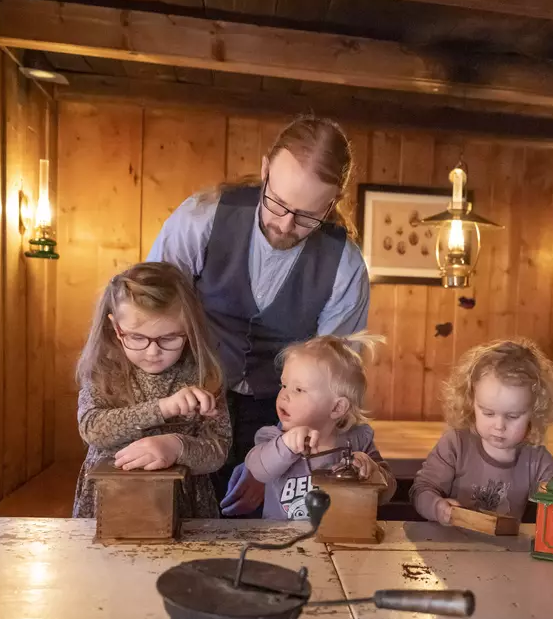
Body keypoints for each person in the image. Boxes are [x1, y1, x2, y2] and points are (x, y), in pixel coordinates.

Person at [146, 115, 370, 514]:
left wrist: (274, 459)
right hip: (190, 396)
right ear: (266, 170)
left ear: (332, 202)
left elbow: (331, 377)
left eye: (306, 216)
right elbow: (150, 309)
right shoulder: (200, 218)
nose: (285, 224)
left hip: (283, 411)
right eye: (277, 203)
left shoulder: (345, 268)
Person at [410, 339, 553, 548]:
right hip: (448, 551)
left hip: (505, 557)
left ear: (535, 410)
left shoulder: (537, 461)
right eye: (488, 413)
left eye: (513, 416)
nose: (499, 426)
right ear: (471, 402)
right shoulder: (455, 444)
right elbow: (421, 491)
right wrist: (437, 507)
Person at [72, 262, 232, 520]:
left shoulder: (205, 375)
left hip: (184, 504)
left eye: (169, 338)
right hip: (109, 500)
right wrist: (162, 409)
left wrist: (177, 446)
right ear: (116, 328)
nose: (153, 351)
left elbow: (218, 450)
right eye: (137, 338)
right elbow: (93, 429)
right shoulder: (103, 371)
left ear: (189, 328)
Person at [243, 333, 395, 520]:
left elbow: (387, 493)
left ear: (337, 408)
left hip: (341, 536)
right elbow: (257, 470)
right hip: (281, 537)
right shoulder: (273, 438)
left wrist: (372, 470)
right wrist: (285, 446)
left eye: (299, 389)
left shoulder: (358, 440)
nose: (284, 395)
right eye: (283, 385)